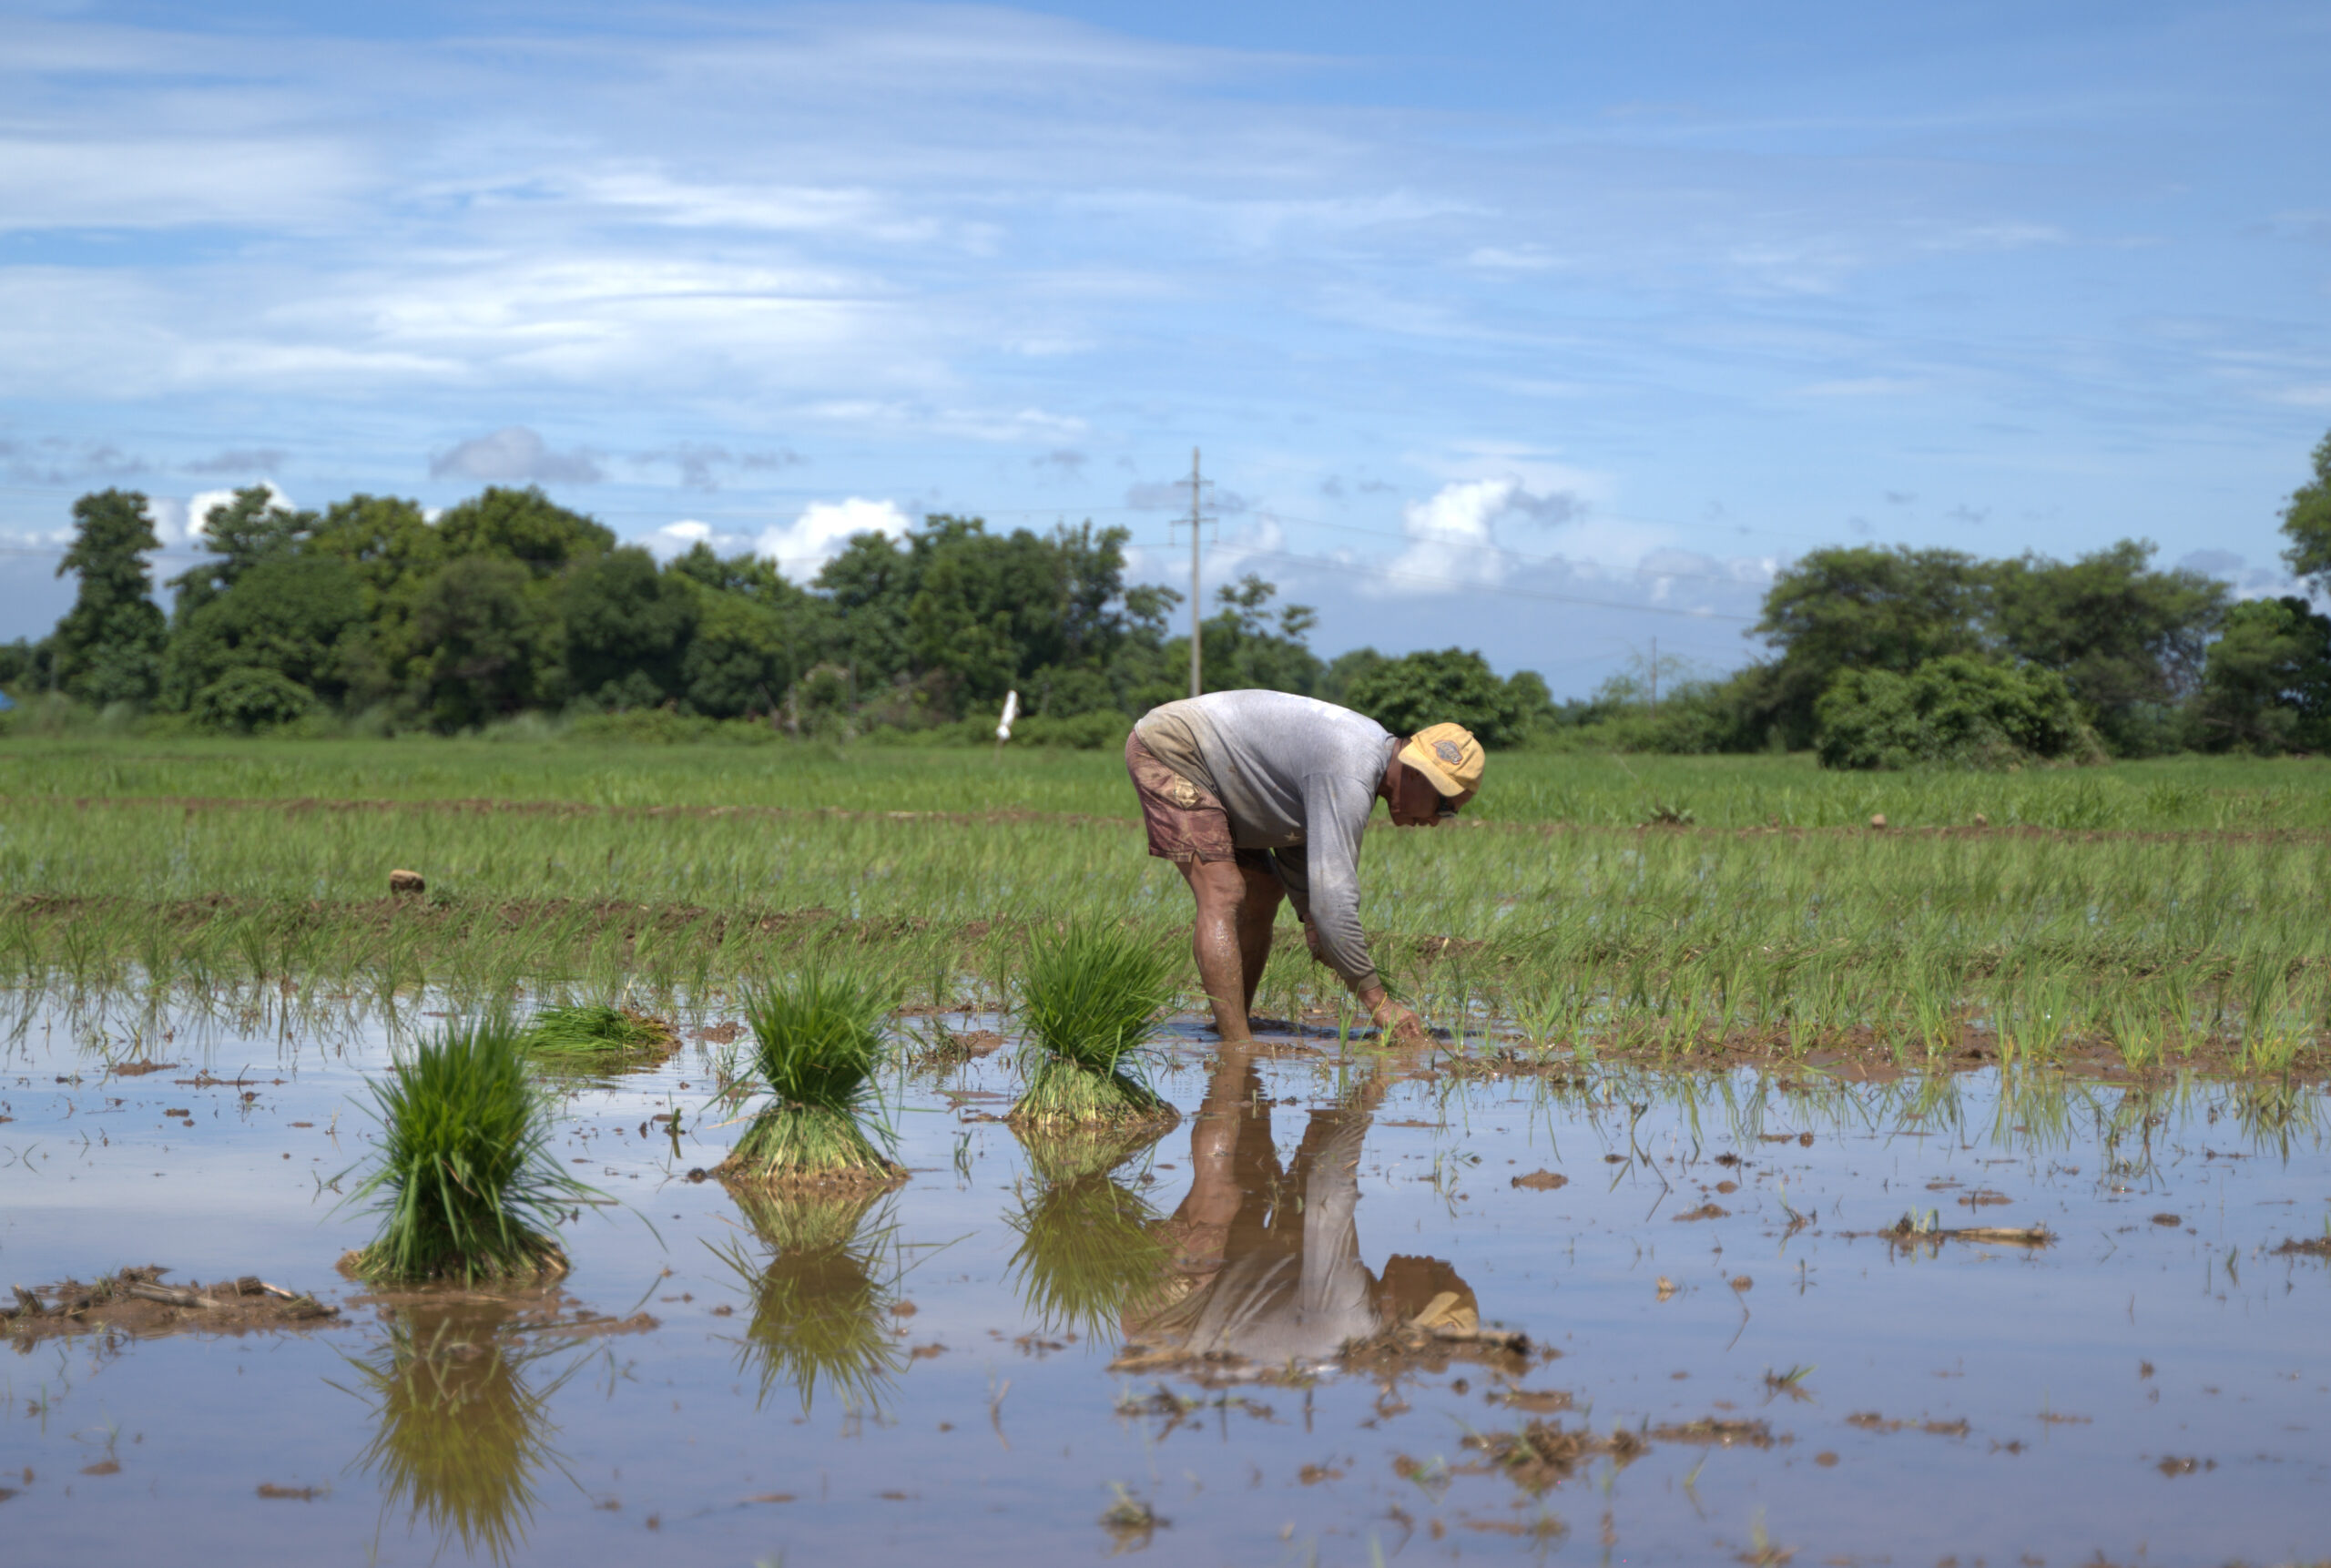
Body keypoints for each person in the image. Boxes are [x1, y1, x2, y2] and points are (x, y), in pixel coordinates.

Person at [1123, 689, 1482, 1046]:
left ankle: (1230, 1027)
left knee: (1264, 890)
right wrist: (1378, 1002)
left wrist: (1311, 918)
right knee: (1223, 890)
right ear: (1418, 774)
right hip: (1174, 750)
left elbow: (1294, 830)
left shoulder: (1362, 762)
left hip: (1227, 777)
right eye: (1445, 806)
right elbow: (1334, 905)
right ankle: (1237, 1047)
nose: (1437, 820)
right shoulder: (1351, 772)